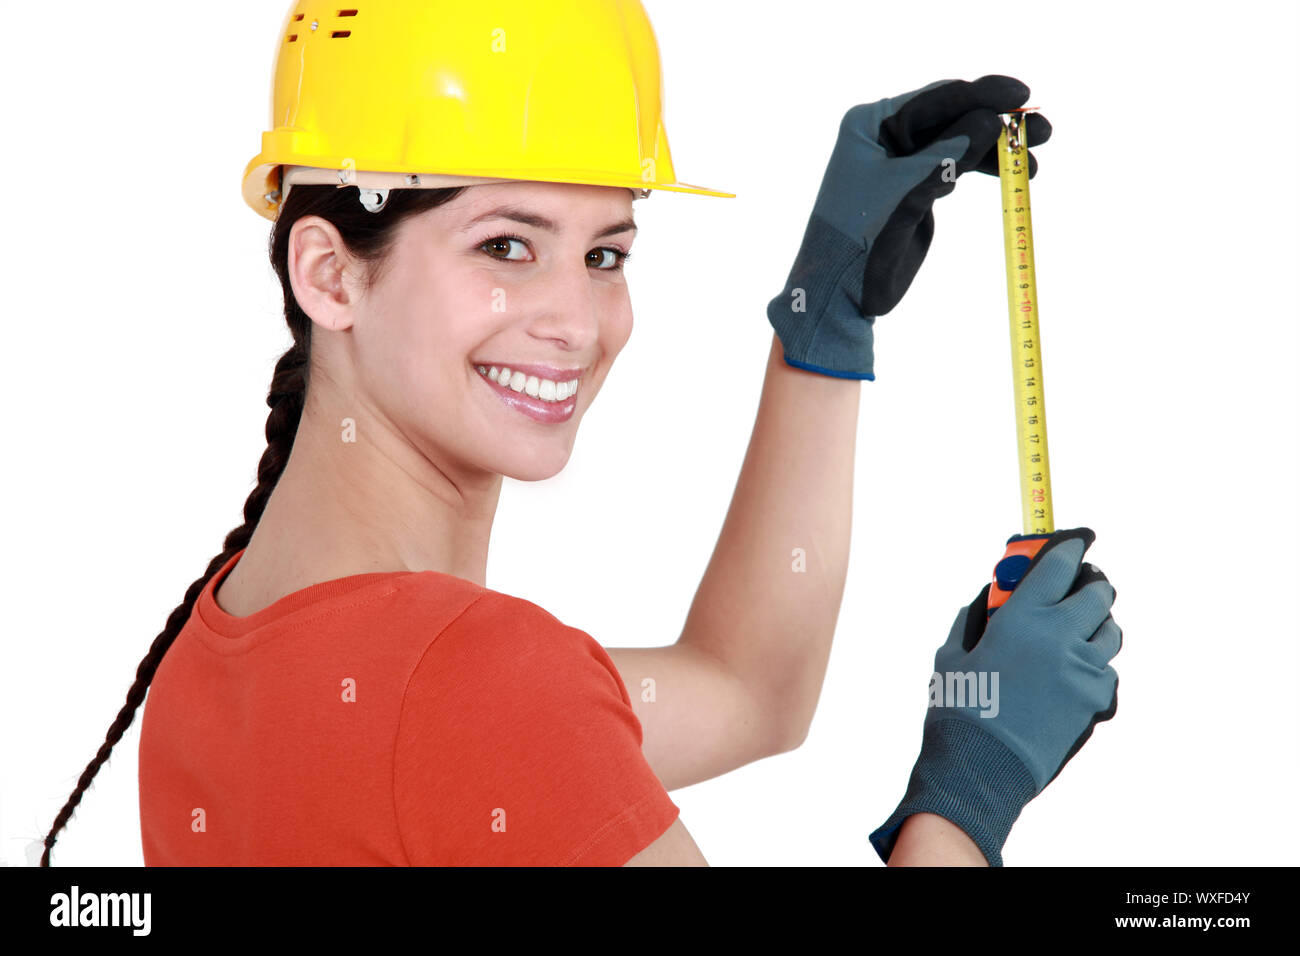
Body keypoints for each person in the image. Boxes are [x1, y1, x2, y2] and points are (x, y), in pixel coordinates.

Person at [39, 0, 1120, 867]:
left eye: (606, 252)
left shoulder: (220, 645)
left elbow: (747, 688)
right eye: (506, 245)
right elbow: (506, 716)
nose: (575, 322)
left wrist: (820, 327)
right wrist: (966, 799)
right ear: (329, 272)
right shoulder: (472, 679)